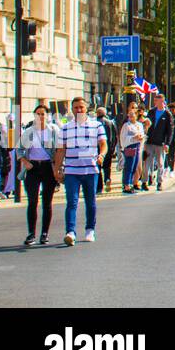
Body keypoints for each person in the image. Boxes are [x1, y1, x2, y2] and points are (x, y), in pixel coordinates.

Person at [61, 96, 107, 245]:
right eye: (76, 107)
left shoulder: (97, 125)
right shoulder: (65, 127)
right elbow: (60, 150)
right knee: (71, 202)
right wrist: (57, 169)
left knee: (90, 201)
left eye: (81, 107)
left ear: (86, 108)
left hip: (90, 170)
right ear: (72, 109)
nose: (79, 110)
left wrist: (102, 154)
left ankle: (90, 230)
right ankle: (70, 232)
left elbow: (103, 143)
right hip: (71, 171)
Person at [20, 104, 64, 245]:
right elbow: (19, 149)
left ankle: (44, 233)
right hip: (33, 167)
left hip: (47, 167)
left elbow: (59, 149)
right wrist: (25, 162)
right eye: (38, 113)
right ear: (34, 115)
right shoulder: (29, 132)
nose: (40, 116)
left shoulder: (53, 130)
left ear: (47, 115)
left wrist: (57, 168)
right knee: (32, 201)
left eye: (43, 113)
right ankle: (31, 233)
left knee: (47, 201)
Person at [143, 94, 175, 192]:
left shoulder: (167, 114)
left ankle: (159, 182)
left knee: (160, 163)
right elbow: (146, 124)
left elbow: (170, 130)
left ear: (163, 101)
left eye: (159, 101)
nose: (157, 103)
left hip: (160, 143)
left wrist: (167, 143)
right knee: (147, 163)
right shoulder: (151, 112)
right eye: (156, 101)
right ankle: (144, 182)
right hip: (149, 142)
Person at [119, 103, 145, 194]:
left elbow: (142, 134)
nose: (131, 118)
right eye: (129, 116)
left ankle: (131, 182)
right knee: (129, 166)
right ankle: (126, 185)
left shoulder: (139, 125)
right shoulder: (126, 125)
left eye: (133, 116)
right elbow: (123, 137)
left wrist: (141, 137)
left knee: (135, 167)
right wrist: (133, 138)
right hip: (130, 147)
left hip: (138, 146)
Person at [94, 107, 117, 194]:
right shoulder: (110, 122)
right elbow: (115, 136)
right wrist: (113, 148)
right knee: (107, 166)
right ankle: (107, 179)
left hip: (97, 148)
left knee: (98, 167)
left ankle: (99, 187)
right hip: (108, 148)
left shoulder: (95, 123)